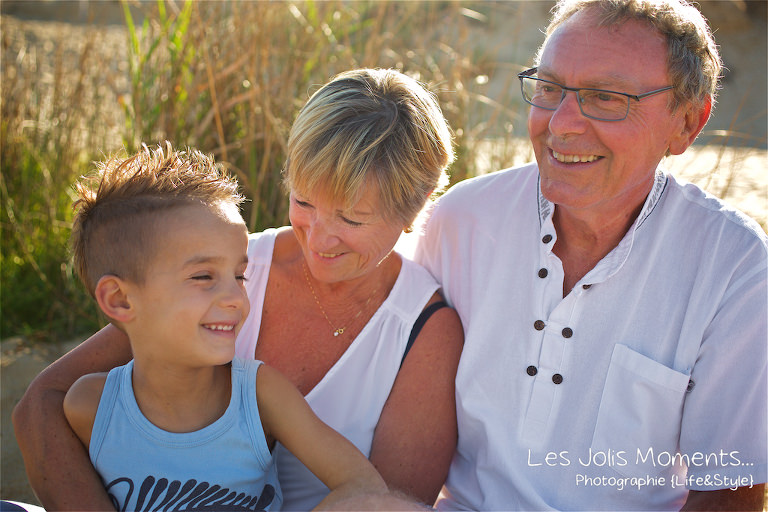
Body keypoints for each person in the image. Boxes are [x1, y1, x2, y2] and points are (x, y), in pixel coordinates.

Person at [12, 68, 464, 510]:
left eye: (351, 219)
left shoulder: (424, 332)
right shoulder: (225, 268)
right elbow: (42, 405)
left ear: (419, 206)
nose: (318, 238)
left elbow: (383, 502)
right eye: (304, 201)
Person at [412, 0, 767, 510]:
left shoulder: (733, 263)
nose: (561, 124)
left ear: (688, 122)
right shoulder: (460, 220)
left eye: (605, 97)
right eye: (549, 88)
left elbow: (729, 493)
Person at [59, 142, 390, 511]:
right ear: (120, 300)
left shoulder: (259, 395)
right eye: (203, 276)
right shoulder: (91, 407)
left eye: (239, 275)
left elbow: (363, 486)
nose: (235, 297)